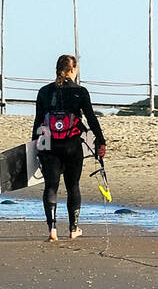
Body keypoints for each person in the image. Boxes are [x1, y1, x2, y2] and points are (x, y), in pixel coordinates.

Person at [32, 55, 106, 242]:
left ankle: (52, 230)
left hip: (49, 145)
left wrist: (35, 145)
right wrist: (100, 140)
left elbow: (38, 121)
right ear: (73, 70)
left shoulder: (44, 92)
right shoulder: (80, 92)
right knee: (73, 186)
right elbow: (91, 118)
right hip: (72, 145)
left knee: (51, 186)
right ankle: (73, 229)